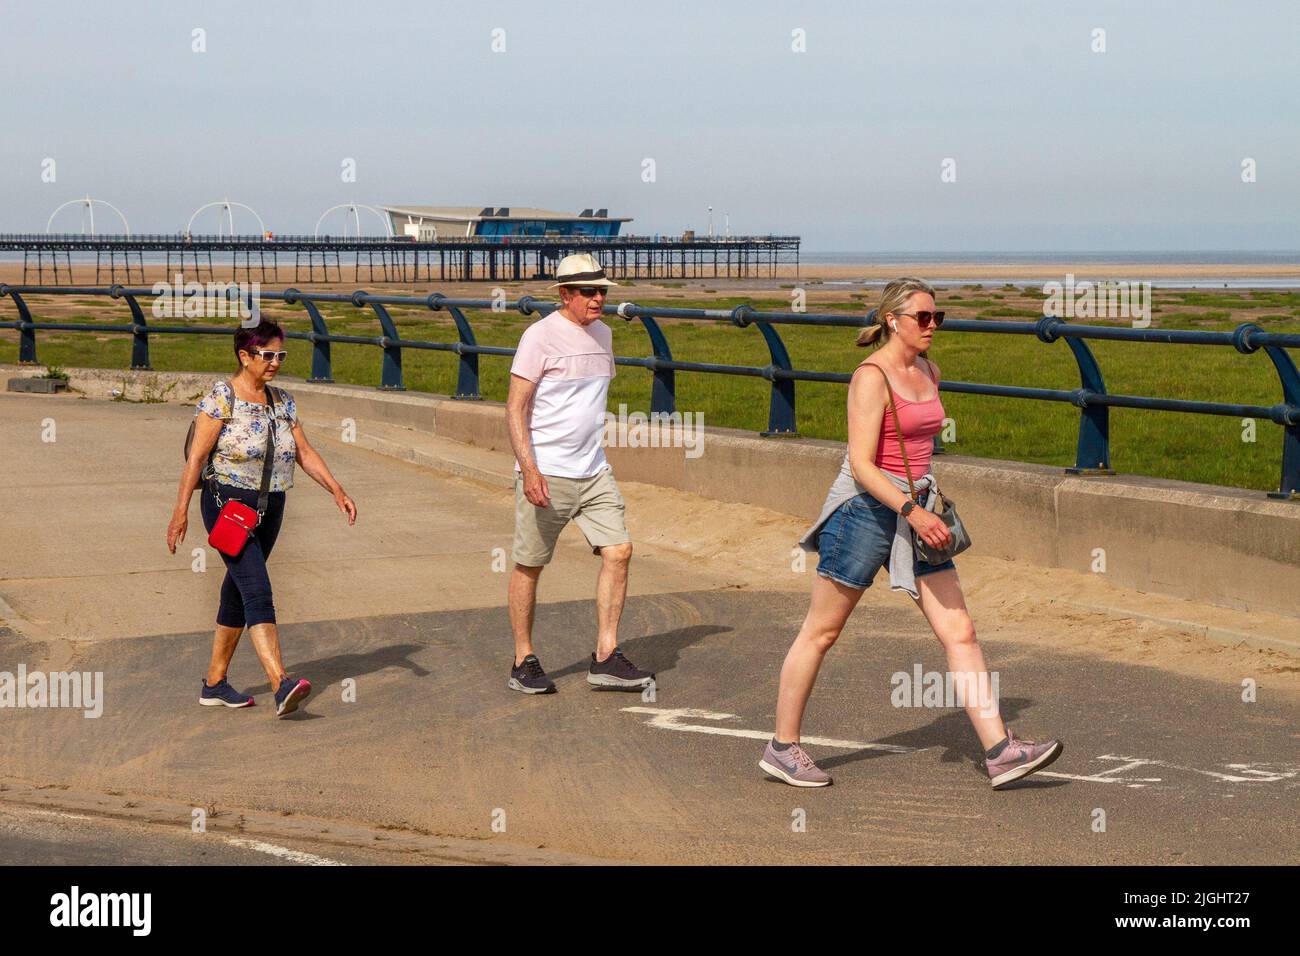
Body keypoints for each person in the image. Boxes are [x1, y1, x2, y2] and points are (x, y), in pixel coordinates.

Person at [760, 277, 1062, 789]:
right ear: (892, 321)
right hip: (866, 512)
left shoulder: (929, 370)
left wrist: (924, 506)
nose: (932, 327)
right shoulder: (870, 377)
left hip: (917, 511)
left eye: (936, 318)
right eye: (923, 318)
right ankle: (782, 748)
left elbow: (920, 449)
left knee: (959, 630)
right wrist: (911, 509)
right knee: (822, 631)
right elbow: (860, 465)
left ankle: (999, 751)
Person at [166, 320, 358, 717]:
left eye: (280, 355)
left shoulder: (283, 401)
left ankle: (215, 683)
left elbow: (303, 452)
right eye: (267, 355)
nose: (274, 362)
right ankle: (280, 683)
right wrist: (180, 512)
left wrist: (337, 489)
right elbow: (196, 458)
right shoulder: (222, 398)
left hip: (269, 507)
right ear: (244, 356)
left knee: (237, 590)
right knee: (257, 589)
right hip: (227, 506)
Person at [504, 253, 653, 694]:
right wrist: (529, 470)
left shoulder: (604, 334)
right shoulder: (539, 337)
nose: (598, 298)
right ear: (564, 294)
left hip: (593, 471)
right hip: (546, 472)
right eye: (588, 291)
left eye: (602, 290)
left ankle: (606, 656)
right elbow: (515, 408)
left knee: (620, 550)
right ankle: (522, 660)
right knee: (530, 565)